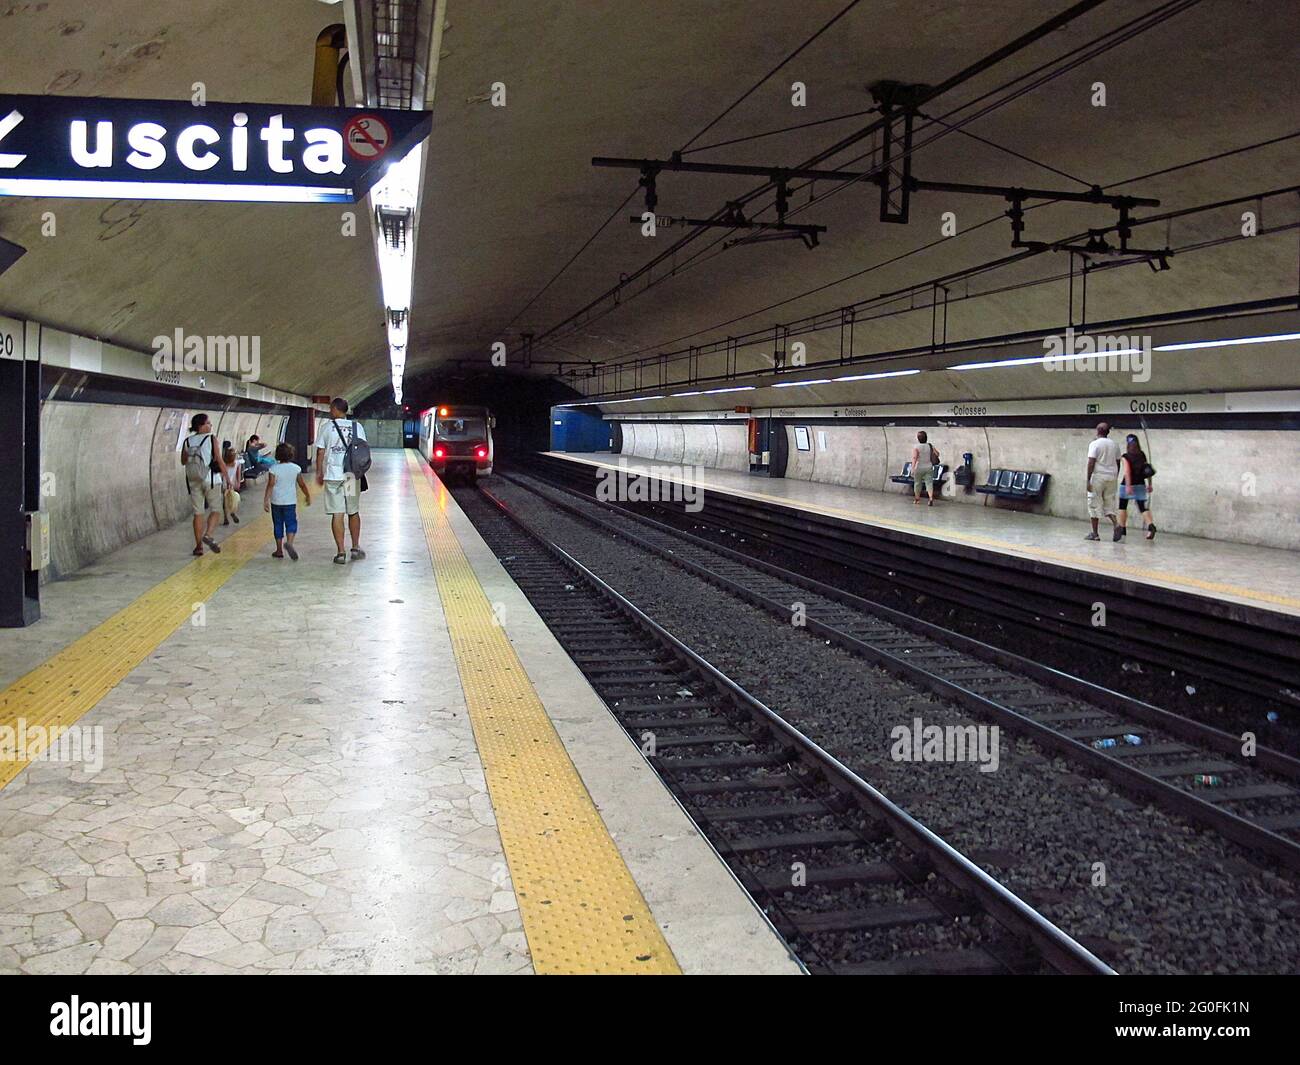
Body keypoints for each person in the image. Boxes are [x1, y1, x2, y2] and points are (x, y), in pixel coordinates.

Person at [314, 397, 367, 565]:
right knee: (353, 511)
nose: (330, 412)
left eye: (331, 409)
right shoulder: (356, 427)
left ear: (336, 409)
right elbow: (363, 450)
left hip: (333, 476)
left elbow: (320, 452)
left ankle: (341, 552)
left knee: (337, 513)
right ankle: (356, 547)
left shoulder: (326, 427)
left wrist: (319, 472)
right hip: (350, 475)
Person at [181, 413, 232, 556]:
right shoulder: (211, 438)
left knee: (198, 513)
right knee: (216, 510)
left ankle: (198, 547)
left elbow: (183, 461)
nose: (210, 426)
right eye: (208, 423)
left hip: (193, 480)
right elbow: (219, 460)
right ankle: (208, 535)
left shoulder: (187, 441)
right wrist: (227, 478)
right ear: (201, 425)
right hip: (211, 480)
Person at [263, 443, 311, 560]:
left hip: (276, 501)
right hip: (290, 501)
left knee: (278, 524)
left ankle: (279, 550)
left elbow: (270, 485)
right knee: (291, 523)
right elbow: (302, 484)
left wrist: (266, 500)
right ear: (291, 455)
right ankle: (289, 542)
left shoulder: (273, 469)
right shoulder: (296, 468)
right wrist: (307, 495)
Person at [1116, 433, 1157, 541]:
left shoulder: (1125, 456)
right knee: (1142, 507)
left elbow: (1127, 471)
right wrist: (1150, 484)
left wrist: (1128, 485)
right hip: (1141, 483)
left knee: (1122, 506)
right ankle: (1151, 526)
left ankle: (1122, 529)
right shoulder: (1142, 455)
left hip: (1127, 484)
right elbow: (1147, 470)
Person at [1084, 421, 1121, 541]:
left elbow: (1091, 462)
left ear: (1097, 431)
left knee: (1094, 504)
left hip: (1098, 477)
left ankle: (1095, 534)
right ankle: (1116, 524)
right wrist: (1115, 475)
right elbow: (1118, 462)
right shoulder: (1115, 445)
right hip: (1112, 477)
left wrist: (1088, 479)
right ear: (1108, 432)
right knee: (1109, 503)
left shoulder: (1094, 444)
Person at [910, 430, 939, 506]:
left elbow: (914, 458)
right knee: (929, 483)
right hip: (929, 467)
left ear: (918, 438)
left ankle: (917, 499)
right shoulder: (930, 446)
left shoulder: (916, 447)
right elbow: (937, 454)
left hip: (919, 467)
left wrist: (912, 468)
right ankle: (931, 498)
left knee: (917, 483)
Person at [221, 441, 242, 525]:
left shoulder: (223, 464)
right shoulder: (237, 463)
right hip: (232, 483)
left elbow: (222, 474)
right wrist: (238, 482)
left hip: (224, 484)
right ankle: (232, 512)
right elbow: (238, 474)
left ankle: (226, 517)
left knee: (225, 501)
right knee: (233, 499)